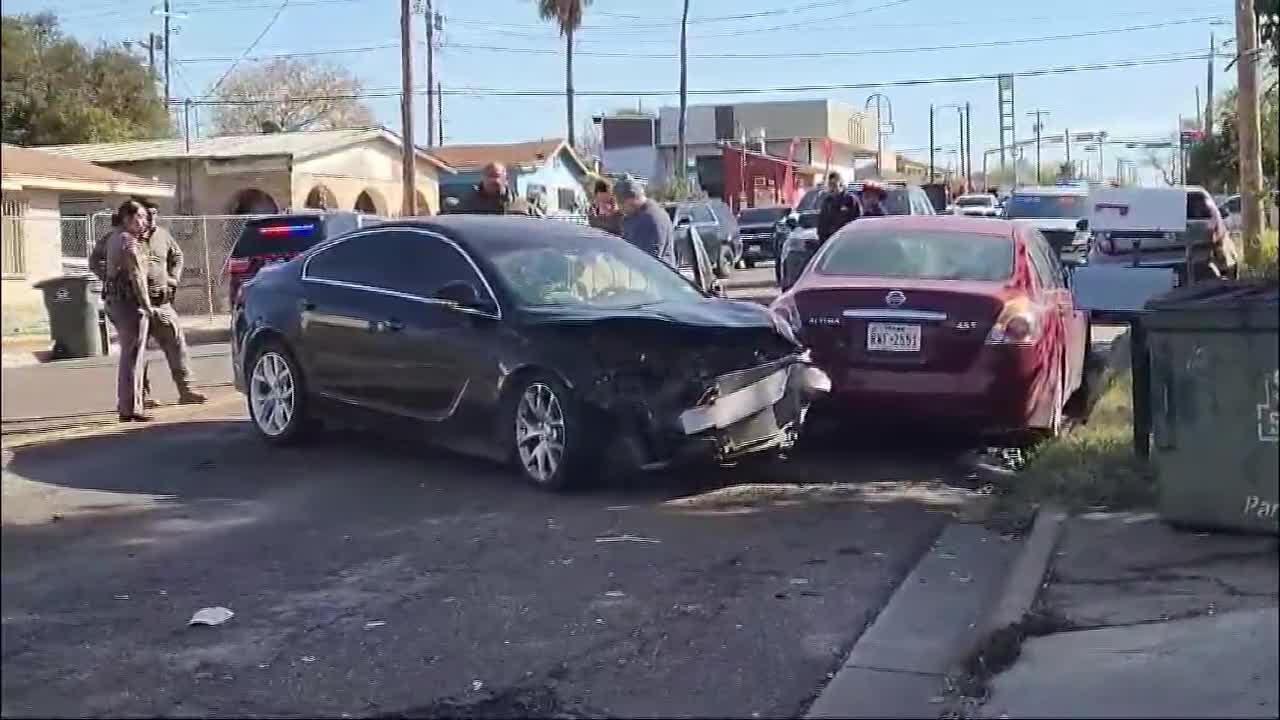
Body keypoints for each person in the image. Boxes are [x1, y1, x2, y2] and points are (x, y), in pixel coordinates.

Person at [136, 199, 206, 408]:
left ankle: (187, 390)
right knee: (138, 352)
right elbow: (98, 260)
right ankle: (141, 395)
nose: (151, 218)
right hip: (136, 304)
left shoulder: (162, 235)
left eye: (154, 213)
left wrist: (173, 277)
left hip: (162, 302)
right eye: (146, 213)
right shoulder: (125, 237)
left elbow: (177, 256)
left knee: (177, 346)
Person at [102, 200, 156, 422]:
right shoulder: (128, 242)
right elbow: (137, 277)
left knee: (129, 353)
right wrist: (147, 305)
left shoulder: (114, 238)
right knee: (133, 355)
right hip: (128, 303)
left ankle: (127, 405)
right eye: (140, 217)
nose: (144, 221)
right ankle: (131, 407)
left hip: (114, 300)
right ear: (127, 219)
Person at [616, 175, 675, 267]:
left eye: (620, 203)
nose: (619, 208)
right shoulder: (644, 213)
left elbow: (647, 260)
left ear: (630, 200)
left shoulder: (648, 219)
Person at [456, 162, 531, 215]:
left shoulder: (523, 207)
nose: (493, 180)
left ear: (506, 179)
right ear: (483, 178)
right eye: (490, 175)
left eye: (497, 176)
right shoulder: (466, 206)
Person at [817, 172, 860, 244]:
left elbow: (858, 220)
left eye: (834, 185)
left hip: (846, 240)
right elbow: (822, 222)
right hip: (829, 241)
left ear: (841, 184)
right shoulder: (827, 201)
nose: (832, 188)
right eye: (830, 185)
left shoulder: (850, 200)